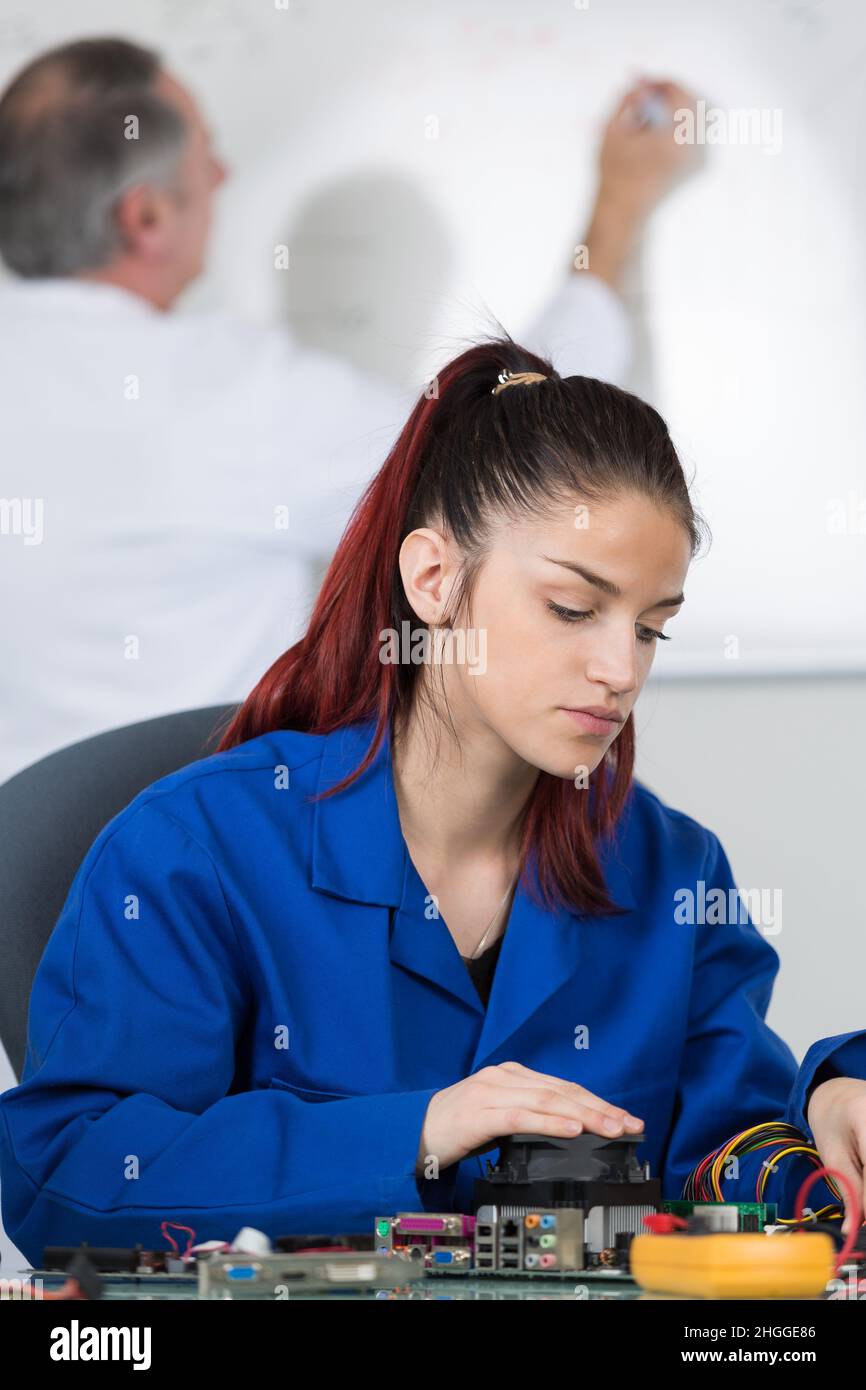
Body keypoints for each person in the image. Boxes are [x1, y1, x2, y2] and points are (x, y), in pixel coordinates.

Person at [1, 338, 864, 1265]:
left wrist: (823, 1108)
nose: (621, 671)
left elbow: (722, 1156)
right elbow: (72, 1175)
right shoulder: (192, 849)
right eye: (573, 609)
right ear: (433, 580)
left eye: (652, 628)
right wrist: (418, 1131)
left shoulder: (669, 870)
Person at [0, 36, 692, 782]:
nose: (224, 174)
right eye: (207, 157)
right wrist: (618, 204)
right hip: (196, 871)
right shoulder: (232, 390)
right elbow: (511, 443)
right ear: (145, 217)